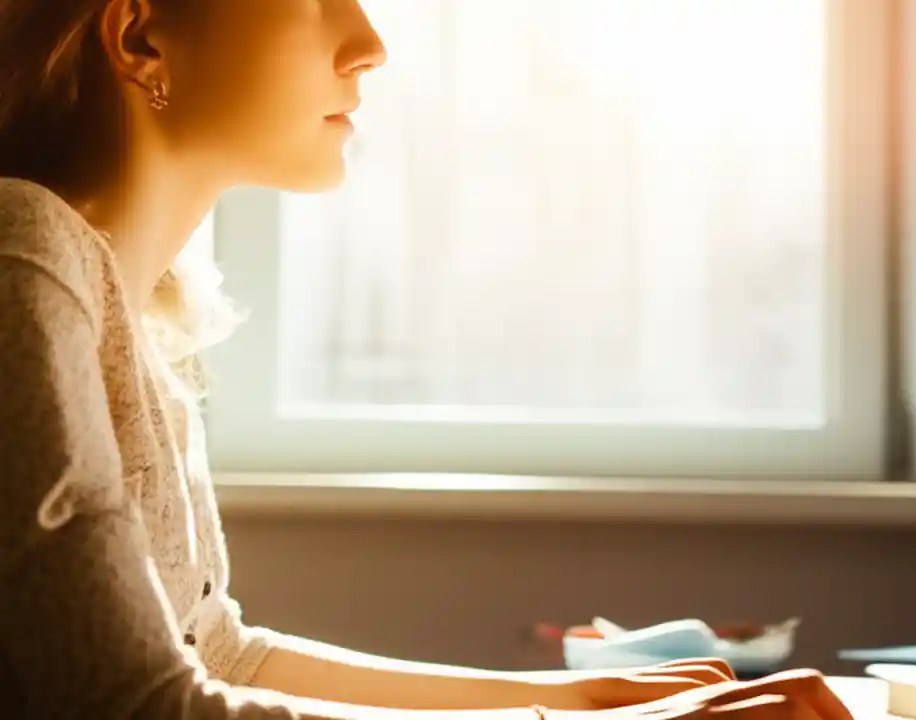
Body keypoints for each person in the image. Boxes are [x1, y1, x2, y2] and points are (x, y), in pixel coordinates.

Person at [0, 1, 856, 719]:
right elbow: (134, 706)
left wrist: (583, 698)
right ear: (140, 35)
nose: (368, 44)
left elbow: (219, 654)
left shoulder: (137, 324)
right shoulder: (24, 254)